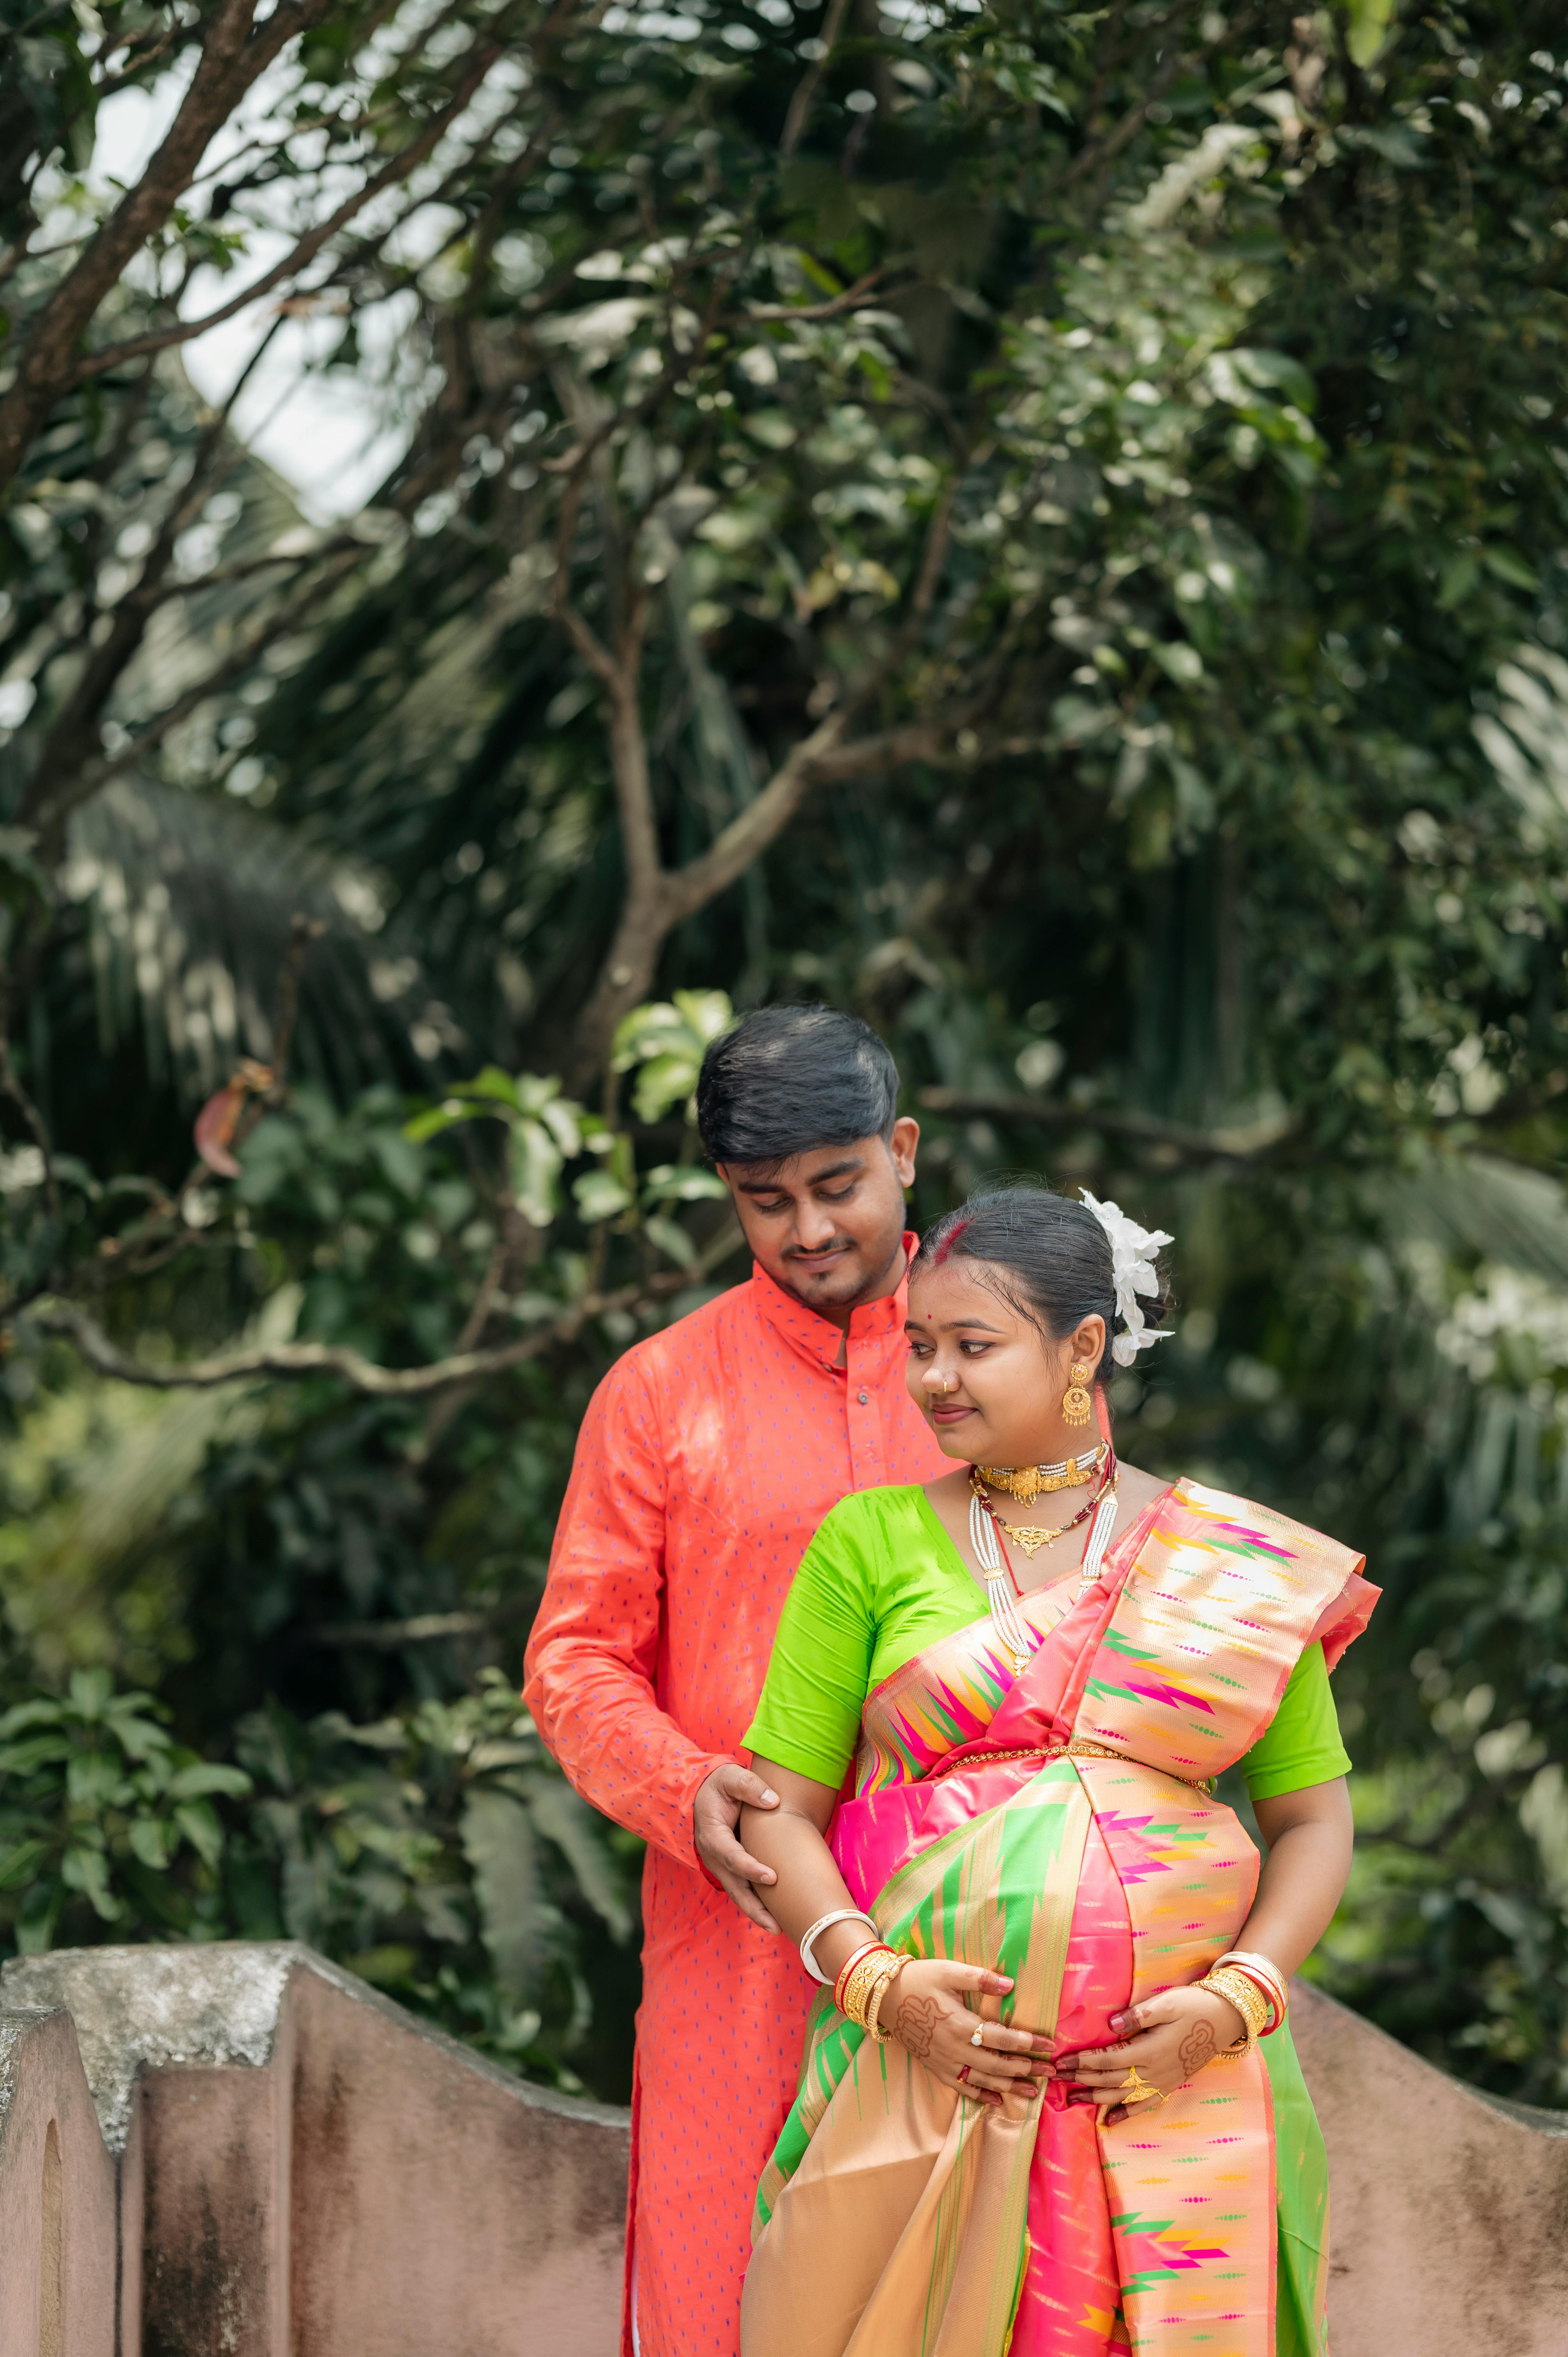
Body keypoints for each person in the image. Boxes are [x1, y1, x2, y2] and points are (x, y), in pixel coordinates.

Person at [736, 1183, 1379, 2357]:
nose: (934, 1378)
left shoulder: (1231, 1568)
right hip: (930, 2085)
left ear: (1084, 1348)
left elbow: (1314, 1824)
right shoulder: (868, 1543)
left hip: (1176, 2096)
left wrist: (1233, 2004)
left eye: (973, 1346)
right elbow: (779, 1813)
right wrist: (876, 1985)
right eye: (919, 1345)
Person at [522, 1005, 949, 2357]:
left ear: (905, 1152)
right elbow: (576, 1657)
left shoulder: (1007, 1357)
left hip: (976, 1937)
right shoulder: (658, 1392)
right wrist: (682, 1783)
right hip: (739, 1942)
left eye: (839, 1188)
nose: (809, 1231)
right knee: (721, 2307)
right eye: (768, 1202)